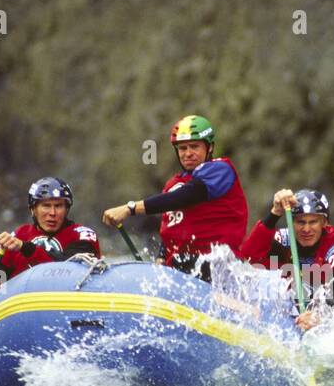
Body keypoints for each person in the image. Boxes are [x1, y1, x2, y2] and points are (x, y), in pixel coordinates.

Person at [101, 114, 248, 276]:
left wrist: (130, 208)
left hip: (218, 266)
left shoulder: (221, 169)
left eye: (194, 146)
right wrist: (161, 257)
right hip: (182, 268)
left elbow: (186, 195)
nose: (188, 153)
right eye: (183, 148)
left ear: (210, 147)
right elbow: (173, 224)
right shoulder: (173, 184)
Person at [240, 188, 334, 330]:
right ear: (291, 223)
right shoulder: (286, 240)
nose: (306, 229)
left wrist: (317, 316)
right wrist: (275, 214)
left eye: (313, 222)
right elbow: (249, 256)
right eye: (300, 222)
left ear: (324, 223)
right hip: (309, 312)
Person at [0, 177, 101, 288]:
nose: (52, 213)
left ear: (67, 209)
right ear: (33, 209)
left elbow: (69, 268)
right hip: (22, 304)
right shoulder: (19, 235)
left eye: (58, 206)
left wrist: (26, 248)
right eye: (46, 206)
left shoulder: (82, 235)